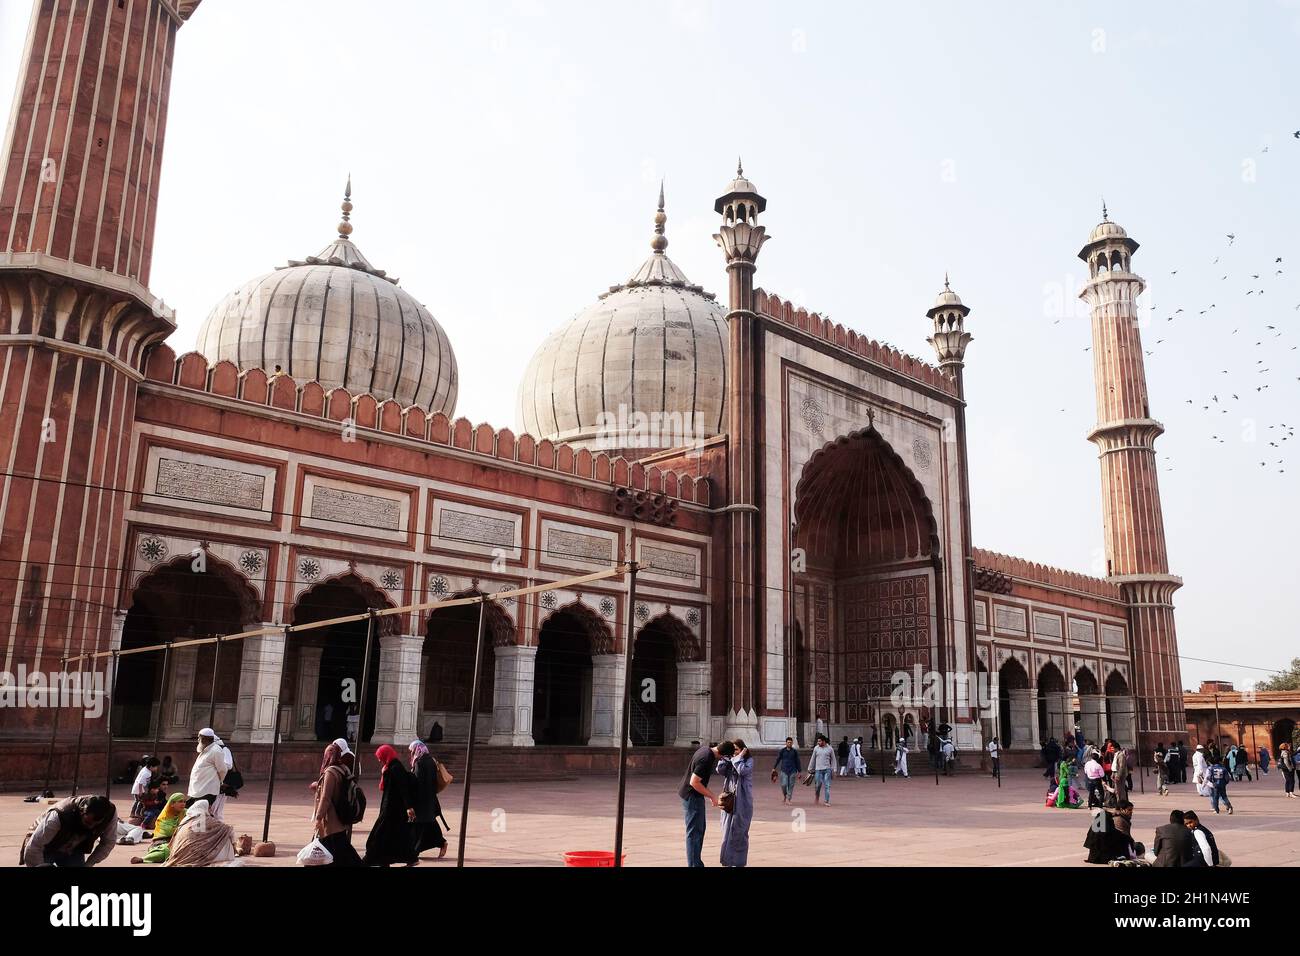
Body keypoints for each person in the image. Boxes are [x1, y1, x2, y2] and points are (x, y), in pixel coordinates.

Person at [679, 740, 736, 867]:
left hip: (693, 795)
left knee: (699, 829)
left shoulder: (705, 750)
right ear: (724, 755)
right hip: (692, 796)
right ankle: (694, 864)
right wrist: (712, 796)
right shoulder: (706, 758)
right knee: (694, 832)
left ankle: (696, 863)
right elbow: (694, 782)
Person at [21, 794, 118, 867]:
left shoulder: (110, 814)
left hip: (73, 848)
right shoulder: (59, 814)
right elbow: (34, 847)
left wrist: (88, 864)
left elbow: (108, 842)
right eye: (88, 822)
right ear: (81, 811)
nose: (91, 827)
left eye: (95, 824)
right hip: (44, 847)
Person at [363, 745, 419, 867]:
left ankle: (369, 859)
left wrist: (408, 807)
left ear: (385, 755)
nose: (379, 760)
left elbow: (403, 788)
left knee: (378, 835)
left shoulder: (396, 768)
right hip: (390, 808)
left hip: (393, 809)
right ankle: (386, 861)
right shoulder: (390, 767)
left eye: (380, 757)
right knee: (391, 836)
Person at [312, 740, 363, 867]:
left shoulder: (330, 772)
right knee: (338, 849)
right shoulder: (343, 768)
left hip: (331, 819)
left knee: (330, 850)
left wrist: (319, 817)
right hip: (340, 817)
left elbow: (326, 797)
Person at [162, 799, 235, 867]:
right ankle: (224, 857)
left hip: (178, 853)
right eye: (208, 807)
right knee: (225, 834)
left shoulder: (186, 819)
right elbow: (227, 829)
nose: (210, 810)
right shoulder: (204, 818)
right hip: (194, 855)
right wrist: (234, 844)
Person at [408, 739, 448, 860]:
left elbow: (418, 783)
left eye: (412, 750)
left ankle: (414, 851)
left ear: (416, 750)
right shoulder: (431, 760)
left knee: (418, 826)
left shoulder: (419, 763)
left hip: (421, 800)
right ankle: (441, 842)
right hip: (430, 798)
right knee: (429, 824)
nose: (411, 753)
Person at [717, 739, 754, 867]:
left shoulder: (748, 761)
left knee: (740, 832)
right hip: (729, 802)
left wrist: (738, 758)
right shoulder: (731, 760)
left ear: (743, 750)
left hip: (743, 802)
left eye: (737, 750)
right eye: (733, 751)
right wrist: (724, 758)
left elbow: (742, 771)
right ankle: (727, 861)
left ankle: (738, 862)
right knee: (726, 831)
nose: (734, 753)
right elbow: (720, 770)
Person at [131, 793, 188, 865]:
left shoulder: (186, 813)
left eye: (184, 802)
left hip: (179, 841)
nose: (183, 804)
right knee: (167, 849)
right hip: (161, 842)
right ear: (172, 804)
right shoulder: (164, 817)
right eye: (180, 801)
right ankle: (143, 858)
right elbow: (169, 832)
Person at [1084, 799, 1136, 864]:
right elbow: (1121, 837)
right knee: (1136, 846)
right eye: (1129, 810)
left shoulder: (1105, 817)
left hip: (1095, 855)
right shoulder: (1119, 819)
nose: (1131, 812)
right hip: (1103, 855)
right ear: (1122, 809)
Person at [187, 729, 226, 809]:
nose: (198, 740)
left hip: (208, 789)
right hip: (199, 788)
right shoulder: (205, 749)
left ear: (205, 739)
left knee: (200, 812)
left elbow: (222, 769)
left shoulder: (216, 750)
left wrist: (220, 781)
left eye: (199, 737)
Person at [130, 756, 162, 824]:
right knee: (139, 802)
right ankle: (135, 813)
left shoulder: (146, 770)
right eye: (155, 766)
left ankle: (135, 813)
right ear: (151, 766)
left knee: (138, 801)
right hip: (138, 789)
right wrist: (140, 792)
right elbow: (140, 782)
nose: (156, 768)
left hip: (140, 788)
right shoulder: (146, 773)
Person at [808, 733, 837, 805]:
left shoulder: (830, 748)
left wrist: (834, 770)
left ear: (824, 741)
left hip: (827, 769)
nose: (818, 743)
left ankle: (826, 801)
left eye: (819, 741)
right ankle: (817, 796)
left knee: (827, 785)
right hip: (818, 770)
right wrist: (810, 768)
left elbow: (833, 760)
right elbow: (813, 759)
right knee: (818, 785)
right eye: (818, 741)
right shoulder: (816, 748)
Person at [772, 737, 801, 805]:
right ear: (786, 743)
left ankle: (788, 799)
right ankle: (785, 795)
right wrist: (774, 767)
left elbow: (797, 761)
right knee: (784, 785)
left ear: (792, 743)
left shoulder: (794, 751)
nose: (789, 743)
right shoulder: (782, 751)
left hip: (793, 770)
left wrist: (799, 771)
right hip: (784, 770)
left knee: (791, 785)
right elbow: (778, 759)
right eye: (788, 742)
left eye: (790, 742)